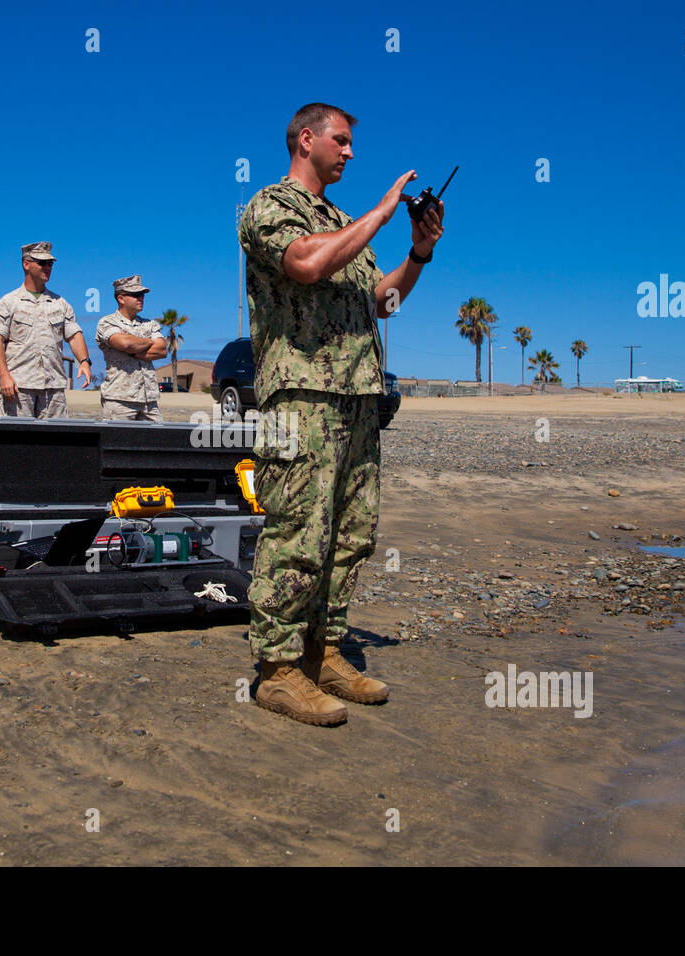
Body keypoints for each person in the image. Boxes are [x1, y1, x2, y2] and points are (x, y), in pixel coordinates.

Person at [238, 103, 445, 725]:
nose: (350, 152)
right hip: (301, 394)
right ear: (308, 139)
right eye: (342, 141)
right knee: (298, 529)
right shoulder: (269, 207)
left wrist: (419, 250)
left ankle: (323, 651)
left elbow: (382, 299)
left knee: (352, 533)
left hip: (357, 398)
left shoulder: (341, 223)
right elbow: (304, 264)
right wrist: (381, 213)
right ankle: (277, 670)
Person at [0, 242, 91, 418]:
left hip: (53, 388)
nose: (47, 267)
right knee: (16, 441)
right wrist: (4, 376)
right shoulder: (8, 303)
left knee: (54, 442)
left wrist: (84, 361)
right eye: (42, 263)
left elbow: (74, 335)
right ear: (26, 264)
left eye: (50, 263)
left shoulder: (61, 304)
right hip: (19, 386)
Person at [95, 275, 166, 421]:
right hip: (119, 399)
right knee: (117, 442)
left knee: (157, 441)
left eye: (142, 295)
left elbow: (162, 350)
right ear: (121, 298)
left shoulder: (150, 324)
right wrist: (148, 342)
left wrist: (134, 350)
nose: (140, 298)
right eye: (135, 295)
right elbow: (125, 344)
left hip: (149, 400)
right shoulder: (107, 322)